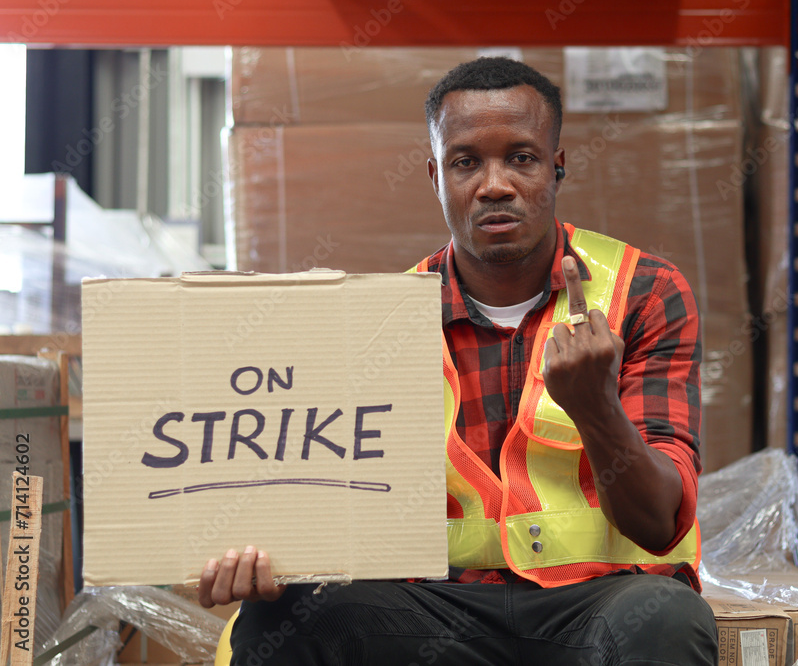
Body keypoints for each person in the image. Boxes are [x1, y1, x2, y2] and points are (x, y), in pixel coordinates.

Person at [199, 56, 718, 665]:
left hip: (600, 603)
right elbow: (338, 517)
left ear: (557, 168)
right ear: (435, 176)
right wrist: (274, 557)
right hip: (437, 614)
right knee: (280, 621)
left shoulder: (644, 294)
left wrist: (597, 411)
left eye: (521, 158)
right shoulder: (379, 322)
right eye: (466, 161)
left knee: (669, 622)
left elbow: (659, 524)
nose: (494, 184)